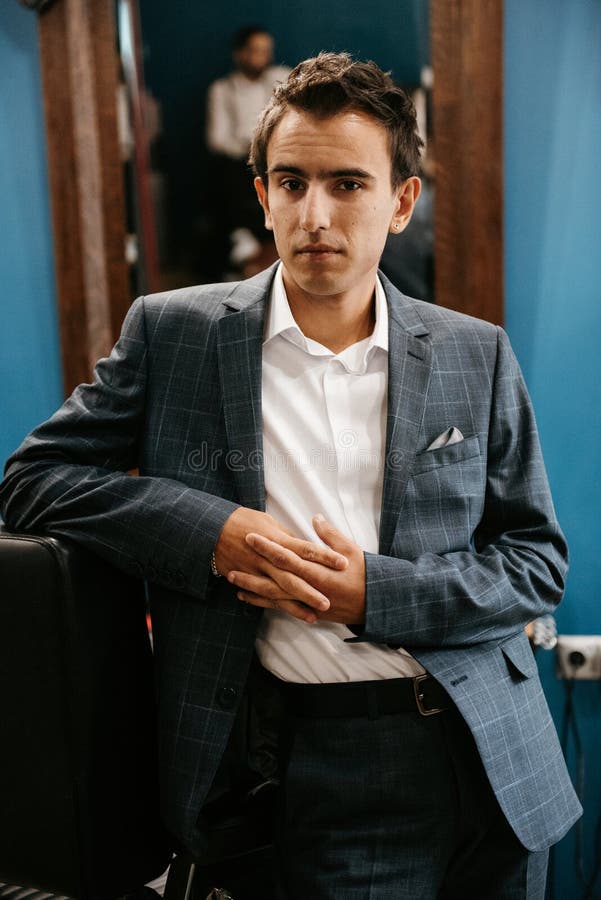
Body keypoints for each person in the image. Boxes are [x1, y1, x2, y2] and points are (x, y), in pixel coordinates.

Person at [0, 53, 581, 899]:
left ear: (401, 201)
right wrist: (211, 533)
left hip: (495, 760)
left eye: (347, 184)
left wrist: (370, 597)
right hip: (311, 762)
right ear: (262, 195)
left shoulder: (473, 350)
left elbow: (533, 561)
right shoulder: (174, 334)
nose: (317, 214)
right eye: (292, 181)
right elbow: (32, 479)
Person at [206, 26, 290, 276]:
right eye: (255, 51)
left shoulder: (279, 79)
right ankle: (242, 236)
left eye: (266, 51)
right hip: (240, 158)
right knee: (233, 172)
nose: (262, 57)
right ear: (240, 54)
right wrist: (251, 146)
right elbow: (216, 139)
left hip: (278, 151)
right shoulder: (222, 90)